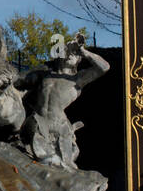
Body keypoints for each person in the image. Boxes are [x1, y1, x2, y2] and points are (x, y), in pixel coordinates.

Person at [18, 32, 109, 169]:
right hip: (36, 123)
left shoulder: (77, 79)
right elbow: (19, 83)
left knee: (60, 165)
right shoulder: (44, 75)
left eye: (74, 54)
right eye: (67, 52)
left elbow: (104, 67)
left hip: (58, 126)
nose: (70, 55)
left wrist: (83, 51)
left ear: (78, 60)